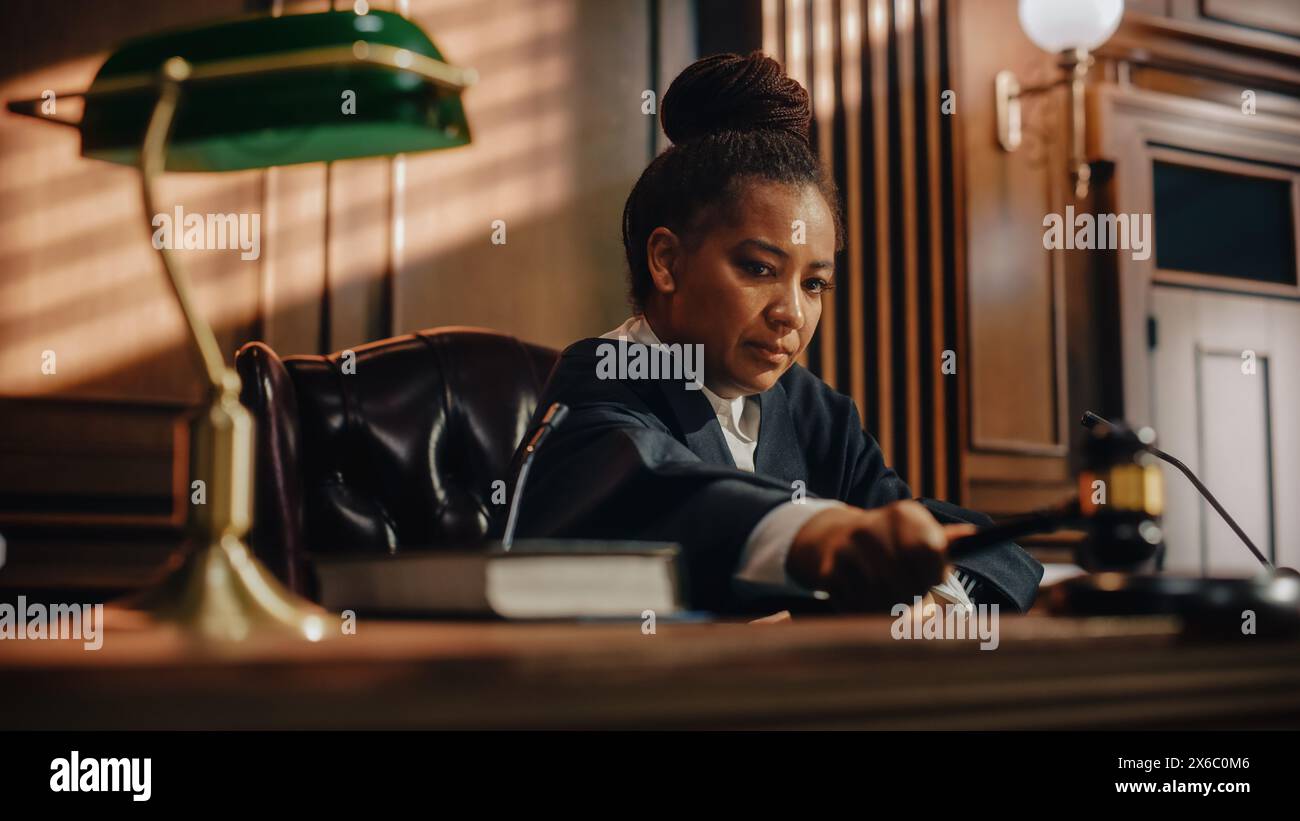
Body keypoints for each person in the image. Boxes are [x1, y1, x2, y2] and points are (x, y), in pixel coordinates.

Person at [502, 51, 1042, 615]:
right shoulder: (601, 378)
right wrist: (820, 535)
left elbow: (906, 520)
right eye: (759, 269)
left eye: (815, 285)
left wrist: (932, 580)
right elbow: (655, 490)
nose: (791, 314)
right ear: (666, 261)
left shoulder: (817, 412)